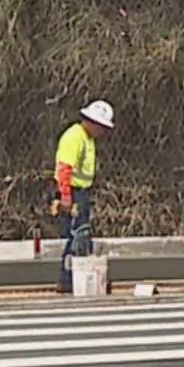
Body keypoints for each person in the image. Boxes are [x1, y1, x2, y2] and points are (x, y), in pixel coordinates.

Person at [54, 100, 115, 292]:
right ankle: (69, 279)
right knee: (77, 235)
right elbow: (65, 168)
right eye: (101, 127)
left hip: (80, 191)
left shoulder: (86, 139)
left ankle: (80, 277)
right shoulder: (75, 137)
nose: (102, 132)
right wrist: (65, 196)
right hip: (72, 191)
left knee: (82, 234)